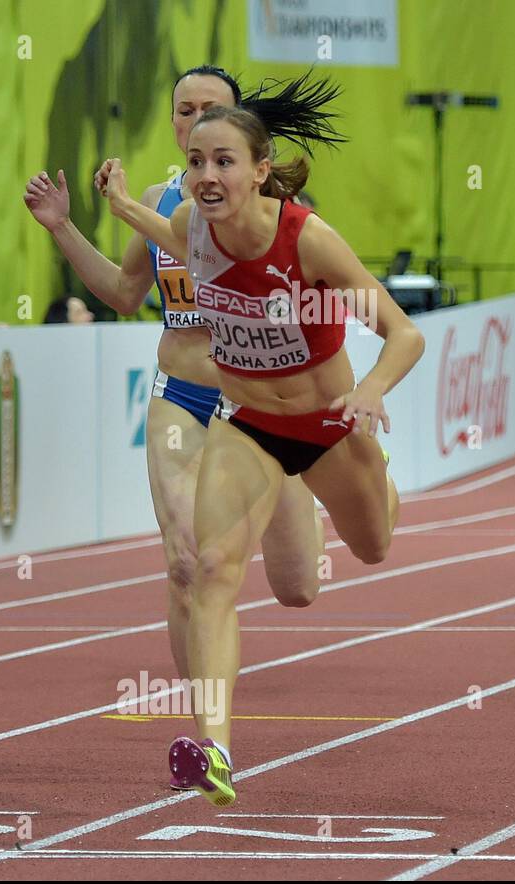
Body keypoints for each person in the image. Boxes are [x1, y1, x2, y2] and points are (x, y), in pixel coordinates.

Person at [99, 102, 424, 806]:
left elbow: (403, 332)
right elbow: (169, 233)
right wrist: (122, 204)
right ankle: (213, 746)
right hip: (245, 424)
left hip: (330, 426)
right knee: (211, 566)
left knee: (371, 545)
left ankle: (387, 488)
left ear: (260, 170)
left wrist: (368, 389)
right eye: (195, 163)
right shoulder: (192, 227)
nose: (206, 176)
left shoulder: (308, 240)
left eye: (223, 163)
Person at [25, 67, 336, 790]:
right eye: (184, 111)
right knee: (186, 561)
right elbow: (124, 292)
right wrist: (64, 226)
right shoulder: (167, 202)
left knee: (297, 587)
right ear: (172, 125)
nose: (195, 119)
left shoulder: (276, 208)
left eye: (211, 110)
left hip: (265, 407)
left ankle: (305, 488)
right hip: (184, 397)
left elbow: (328, 303)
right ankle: (210, 741)